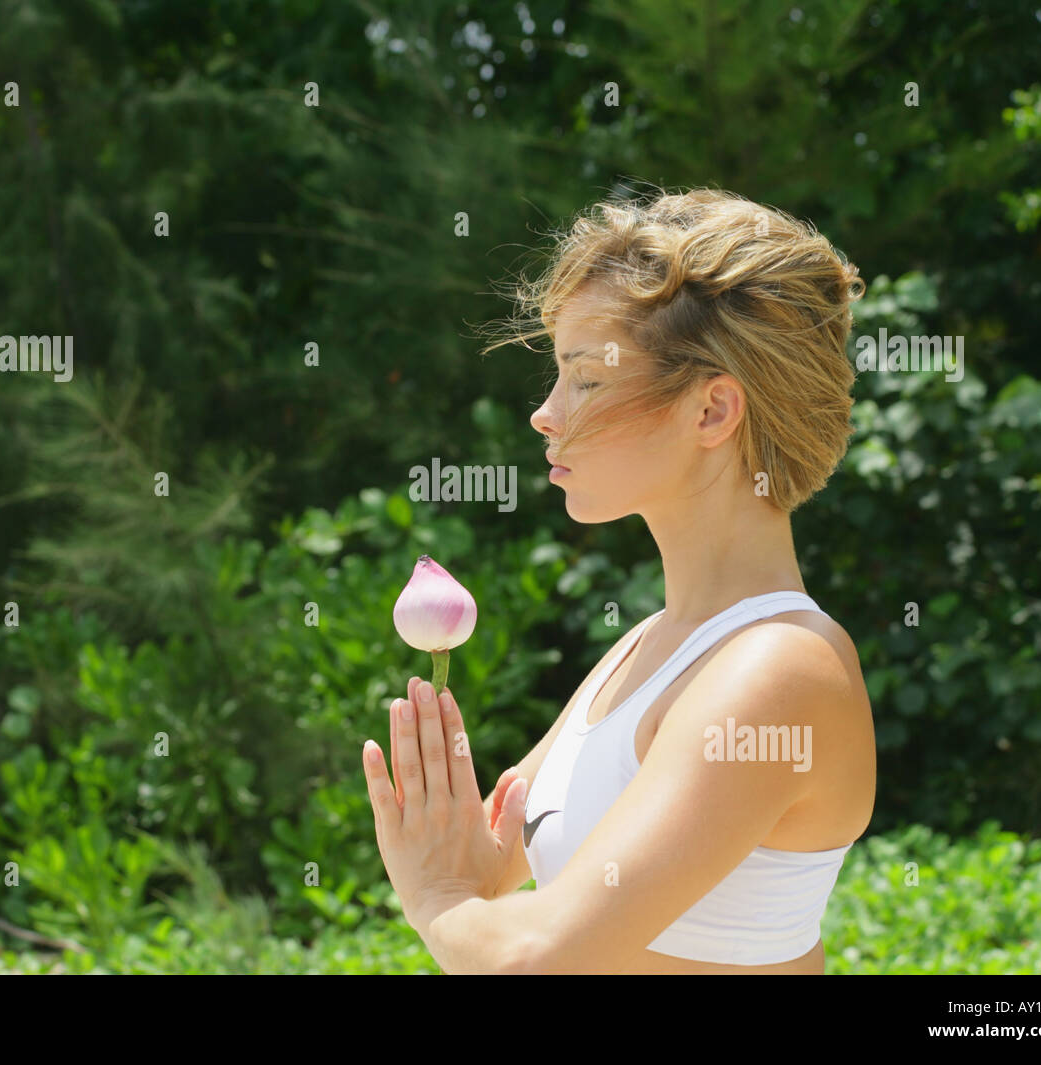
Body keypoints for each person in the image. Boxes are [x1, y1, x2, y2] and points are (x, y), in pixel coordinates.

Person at [364, 186, 876, 974]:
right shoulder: (646, 647)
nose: (545, 412)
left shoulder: (780, 669)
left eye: (586, 379)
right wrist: (460, 865)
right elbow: (491, 866)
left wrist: (437, 899)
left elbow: (531, 954)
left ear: (712, 411)